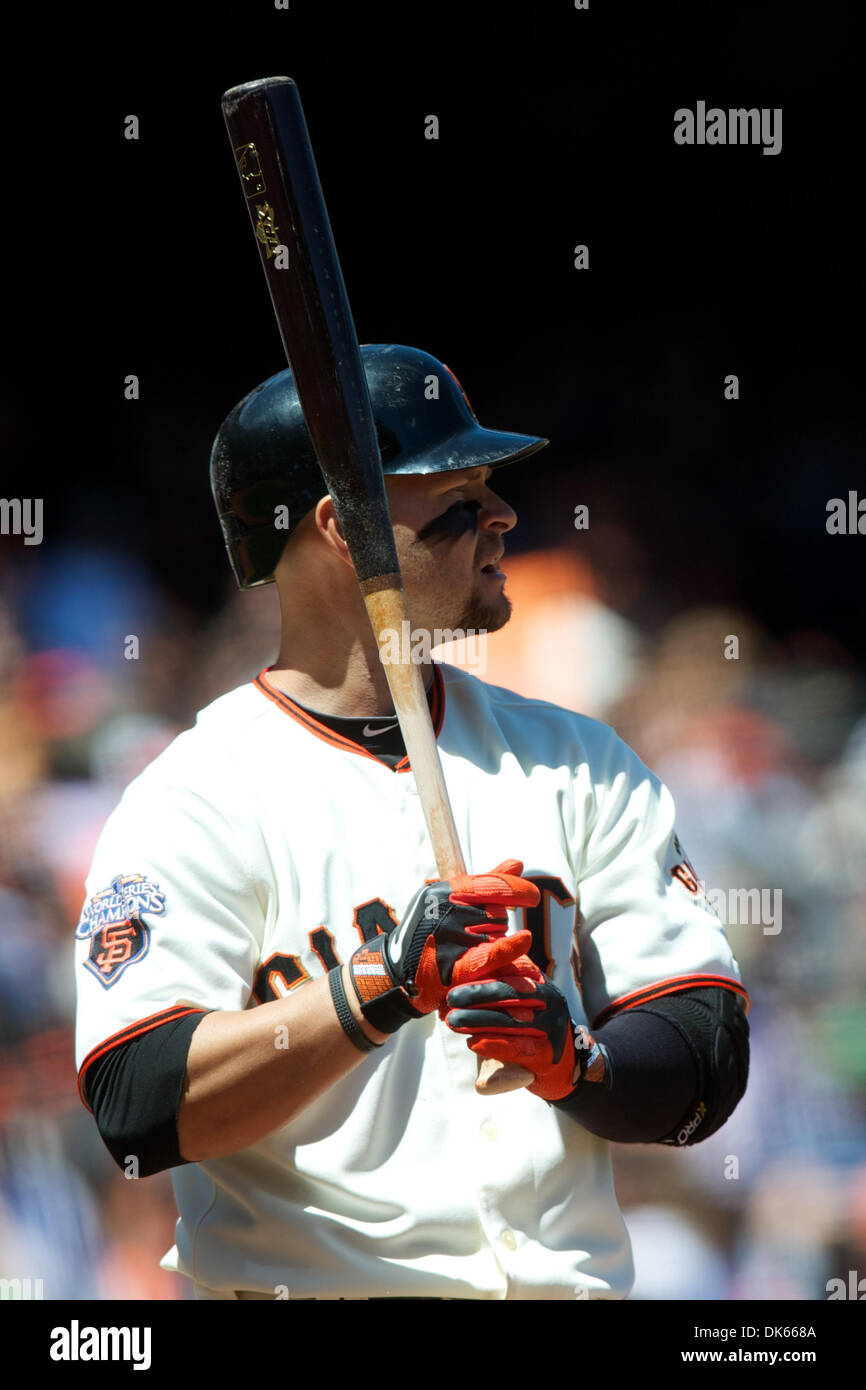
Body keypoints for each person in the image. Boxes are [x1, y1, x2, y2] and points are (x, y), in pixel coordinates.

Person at [74, 344, 749, 1300]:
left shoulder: (577, 761)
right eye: (458, 496)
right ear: (343, 528)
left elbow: (706, 1055)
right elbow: (137, 1107)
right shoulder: (196, 797)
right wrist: (378, 984)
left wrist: (574, 1059)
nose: (504, 514)